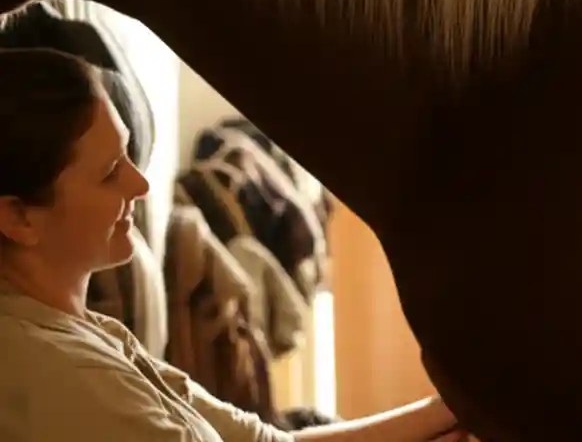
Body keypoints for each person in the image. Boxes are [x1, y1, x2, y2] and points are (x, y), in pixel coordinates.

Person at [0, 47, 472, 441]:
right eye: (108, 173)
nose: (140, 184)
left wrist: (451, 409)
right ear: (18, 217)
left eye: (126, 154)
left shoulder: (92, 332)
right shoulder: (52, 375)